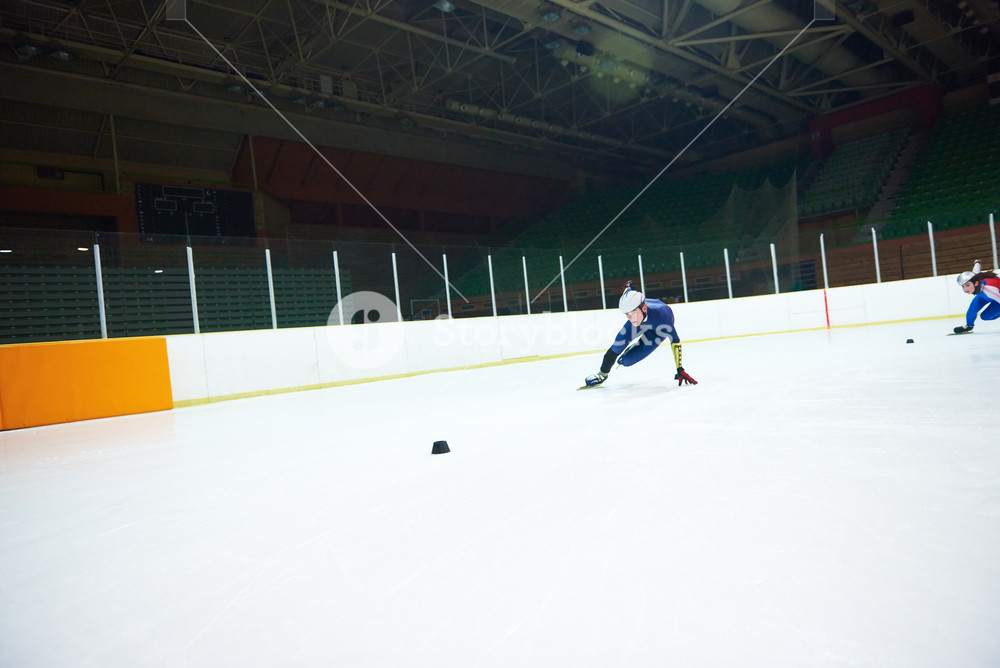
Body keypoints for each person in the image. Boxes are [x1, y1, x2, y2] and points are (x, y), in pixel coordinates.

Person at [585, 281, 697, 387]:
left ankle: (635, 347)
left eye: (633, 313)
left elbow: (675, 341)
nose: (630, 318)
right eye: (627, 314)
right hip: (641, 321)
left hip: (658, 331)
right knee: (617, 346)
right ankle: (602, 375)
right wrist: (627, 287)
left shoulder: (663, 318)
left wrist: (680, 369)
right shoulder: (634, 312)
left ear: (644, 308)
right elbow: (627, 292)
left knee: (626, 361)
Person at [953, 259, 1000, 334]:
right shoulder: (975, 277)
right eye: (963, 286)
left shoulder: (990, 290)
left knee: (985, 316)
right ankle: (969, 326)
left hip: (996, 297)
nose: (965, 289)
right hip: (984, 296)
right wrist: (977, 262)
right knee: (971, 311)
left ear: (976, 283)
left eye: (968, 285)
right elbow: (976, 269)